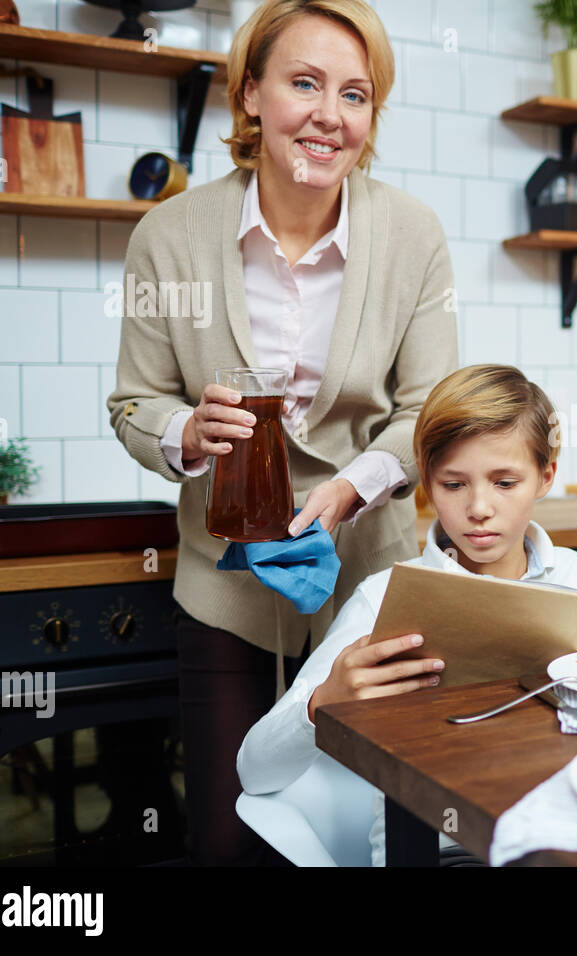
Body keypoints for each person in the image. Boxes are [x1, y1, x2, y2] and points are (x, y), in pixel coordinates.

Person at [106, 0, 457, 864]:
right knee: (232, 831)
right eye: (304, 83)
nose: (330, 116)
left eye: (356, 94)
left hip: (372, 579)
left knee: (378, 825)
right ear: (251, 93)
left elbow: (430, 413)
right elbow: (133, 403)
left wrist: (348, 490)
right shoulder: (170, 236)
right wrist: (190, 431)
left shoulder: (412, 235)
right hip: (225, 589)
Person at [237, 365, 577, 864]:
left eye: (505, 482)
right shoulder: (383, 599)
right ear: (427, 480)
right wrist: (324, 702)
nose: (479, 508)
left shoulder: (574, 576)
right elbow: (255, 771)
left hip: (572, 829)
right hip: (445, 846)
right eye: (453, 484)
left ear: (546, 476)